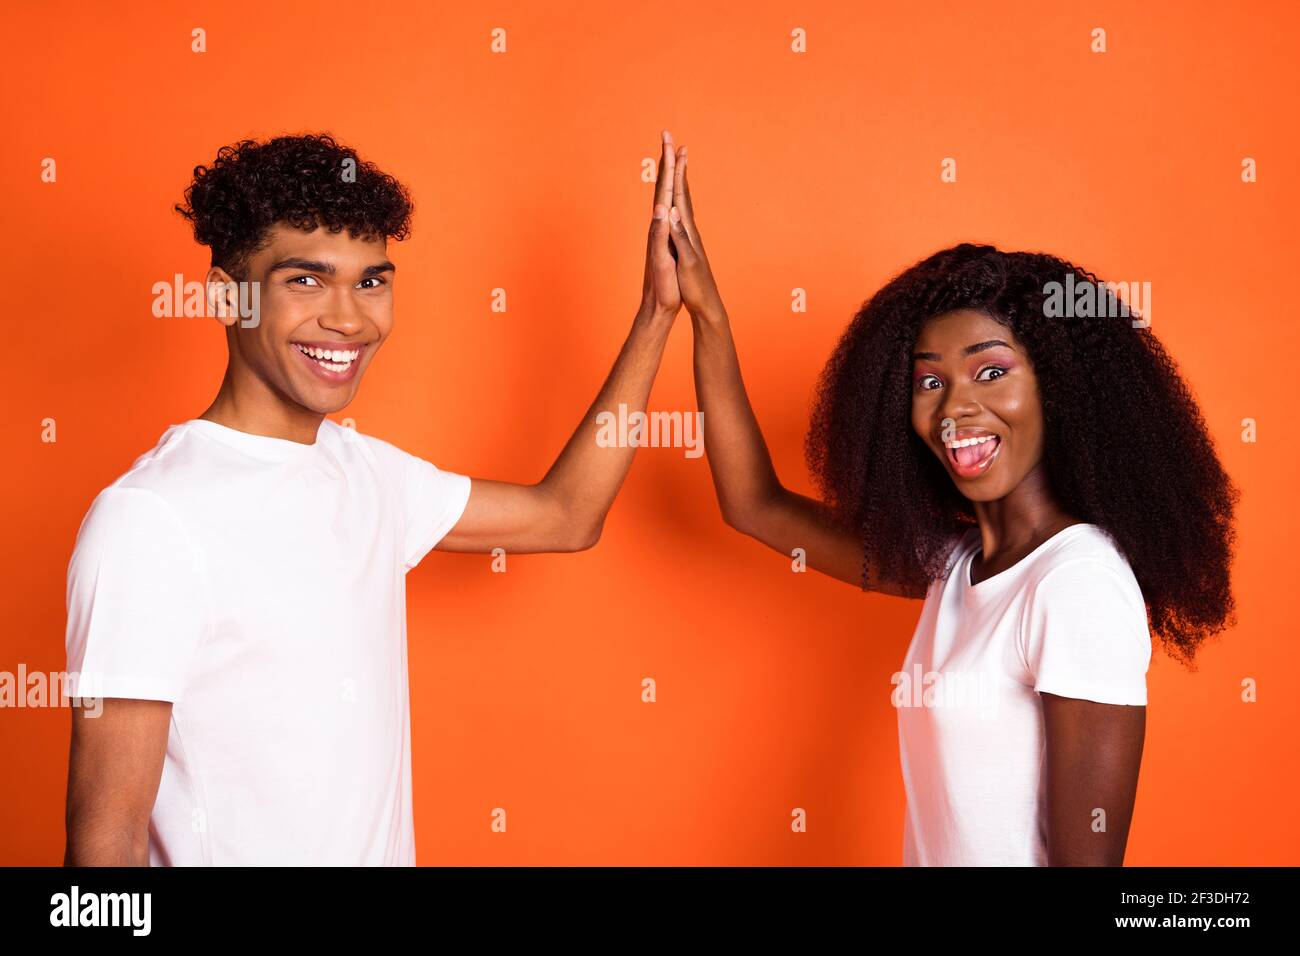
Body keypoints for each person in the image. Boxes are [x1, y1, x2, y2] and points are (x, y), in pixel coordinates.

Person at [62, 129, 687, 865]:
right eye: (304, 280)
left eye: (371, 281)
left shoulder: (368, 474)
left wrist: (656, 314)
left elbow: (566, 515)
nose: (350, 319)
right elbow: (104, 854)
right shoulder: (152, 520)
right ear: (228, 296)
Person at [665, 148, 1238, 865]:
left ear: (1058, 388)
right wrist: (705, 315)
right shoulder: (957, 565)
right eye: (929, 382)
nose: (955, 409)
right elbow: (753, 504)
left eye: (991, 372)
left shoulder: (1077, 584)